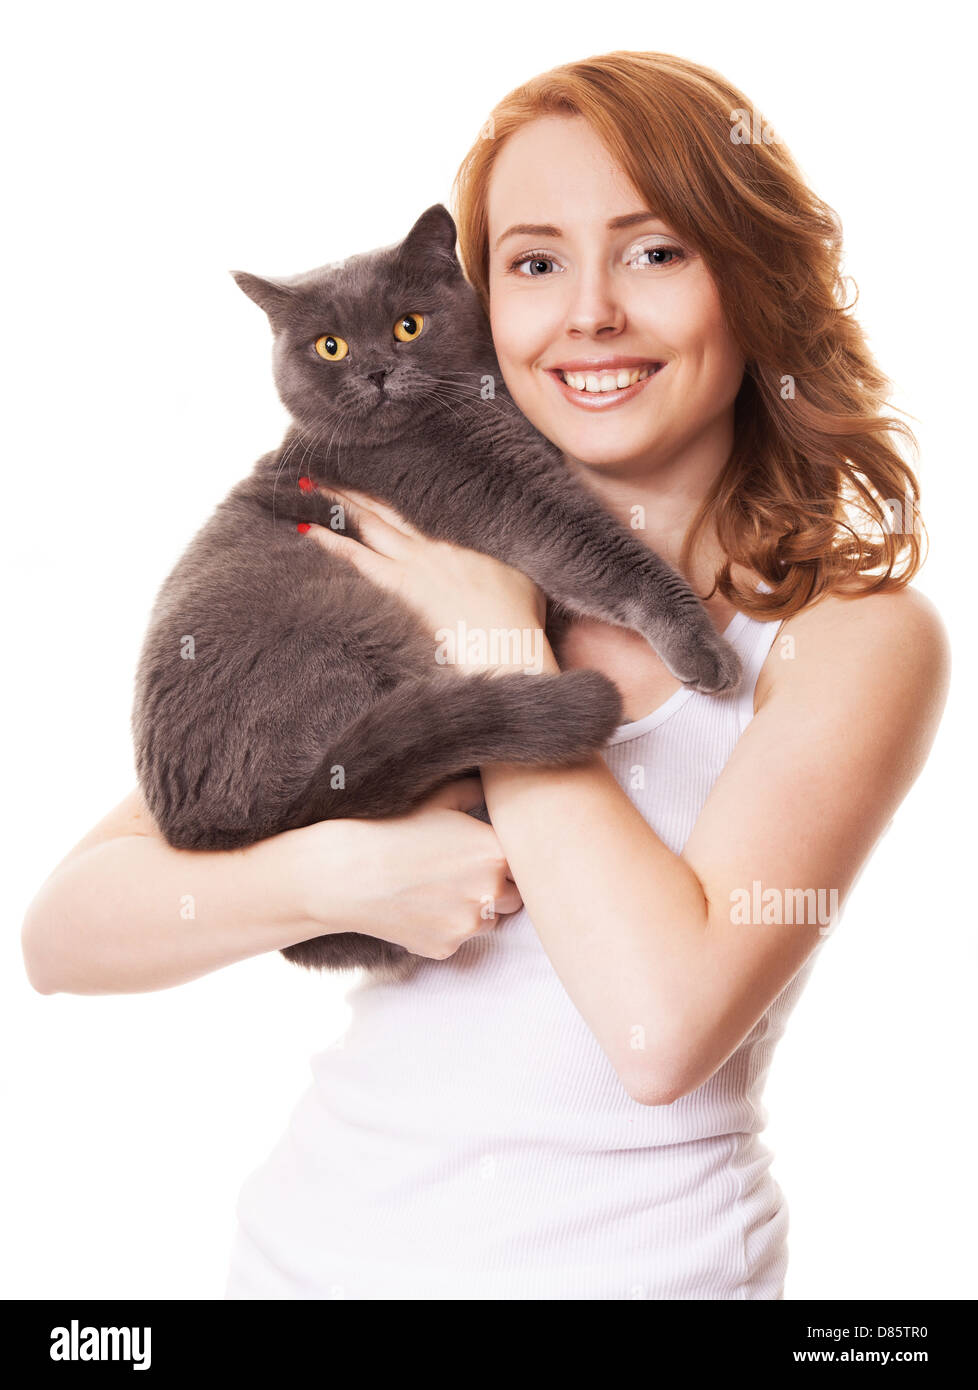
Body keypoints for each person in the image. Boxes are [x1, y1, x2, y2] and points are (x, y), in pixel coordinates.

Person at [22, 50, 950, 1300]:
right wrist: (336, 873)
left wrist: (500, 639)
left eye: (655, 250)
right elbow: (64, 934)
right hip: (296, 1266)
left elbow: (659, 1028)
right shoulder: (390, 543)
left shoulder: (846, 635)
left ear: (751, 278)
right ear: (482, 302)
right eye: (533, 261)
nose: (589, 313)